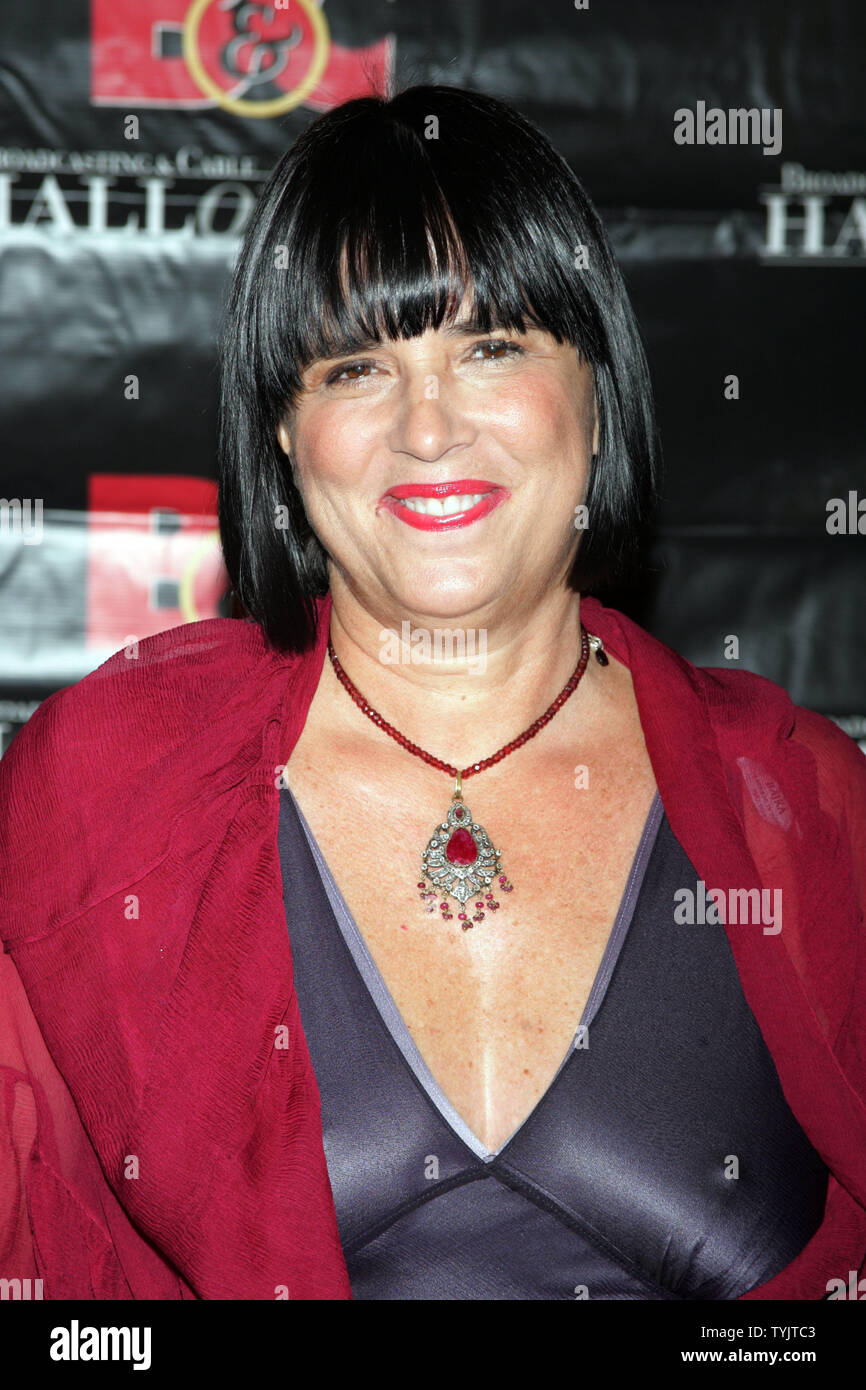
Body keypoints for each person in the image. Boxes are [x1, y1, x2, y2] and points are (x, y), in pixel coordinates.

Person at [1, 84, 865, 1302]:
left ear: (596, 388)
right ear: (285, 440)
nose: (426, 427)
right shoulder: (98, 791)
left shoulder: (809, 812)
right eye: (355, 366)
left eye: (490, 346)